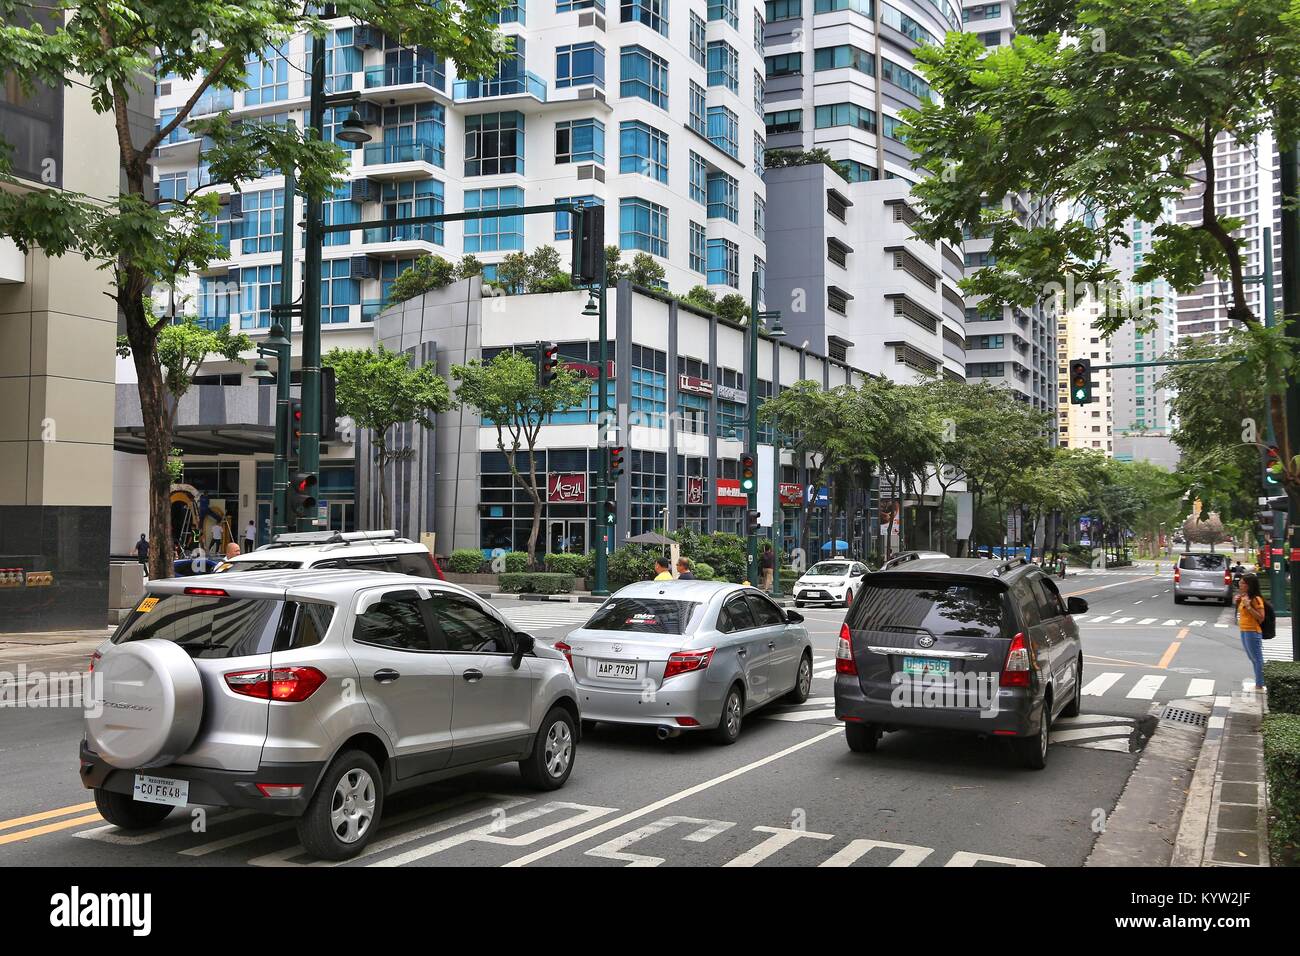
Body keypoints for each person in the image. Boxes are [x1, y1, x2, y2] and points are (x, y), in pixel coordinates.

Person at [1234, 573, 1267, 690]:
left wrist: (1249, 607)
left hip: (1252, 631)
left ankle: (1260, 684)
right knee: (1252, 658)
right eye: (1240, 582)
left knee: (1257, 658)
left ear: (1249, 585)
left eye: (1243, 583)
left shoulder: (1256, 599)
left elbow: (1261, 617)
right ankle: (1259, 682)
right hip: (1244, 630)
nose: (1240, 584)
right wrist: (1239, 602)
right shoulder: (1245, 596)